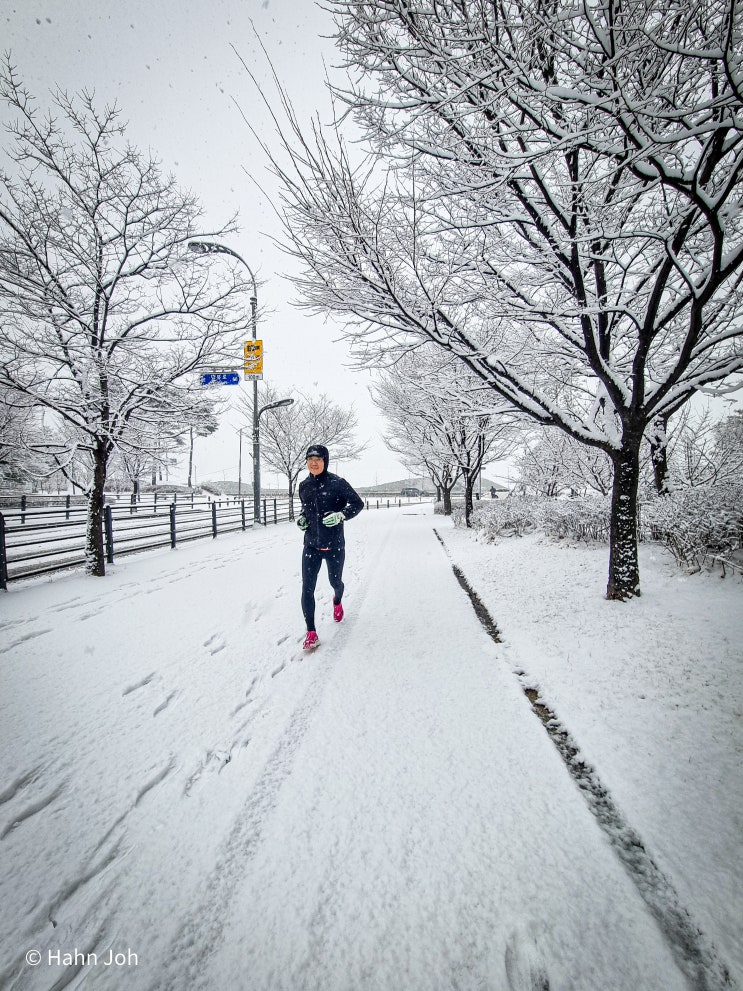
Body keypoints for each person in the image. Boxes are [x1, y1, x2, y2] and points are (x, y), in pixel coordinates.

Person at [297, 444, 364, 650]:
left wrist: (341, 515)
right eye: (310, 459)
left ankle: (337, 600)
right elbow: (305, 508)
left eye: (318, 459)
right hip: (311, 546)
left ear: (325, 461)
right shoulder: (303, 486)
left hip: (334, 545)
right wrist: (301, 519)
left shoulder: (338, 483)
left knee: (335, 581)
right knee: (307, 588)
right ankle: (311, 632)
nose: (314, 463)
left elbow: (357, 504)